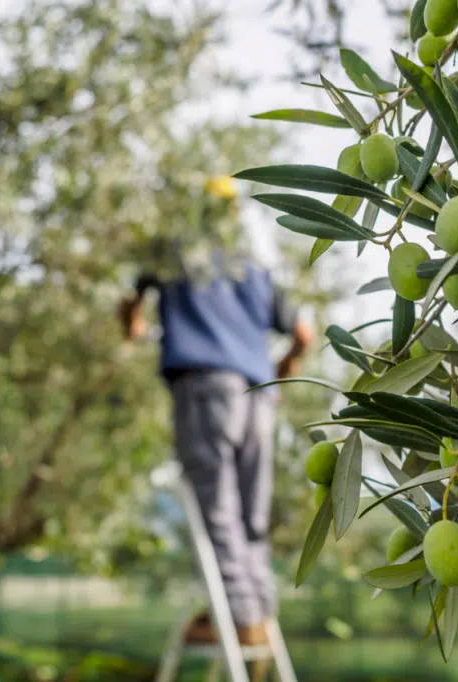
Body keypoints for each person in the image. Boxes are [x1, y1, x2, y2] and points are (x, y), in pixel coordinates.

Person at [119, 183, 313, 648]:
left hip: (207, 389)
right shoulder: (254, 266)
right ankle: (256, 614)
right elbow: (304, 333)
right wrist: (282, 370)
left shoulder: (175, 251)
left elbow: (131, 301)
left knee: (220, 513)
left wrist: (133, 326)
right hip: (258, 394)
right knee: (251, 517)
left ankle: (242, 621)